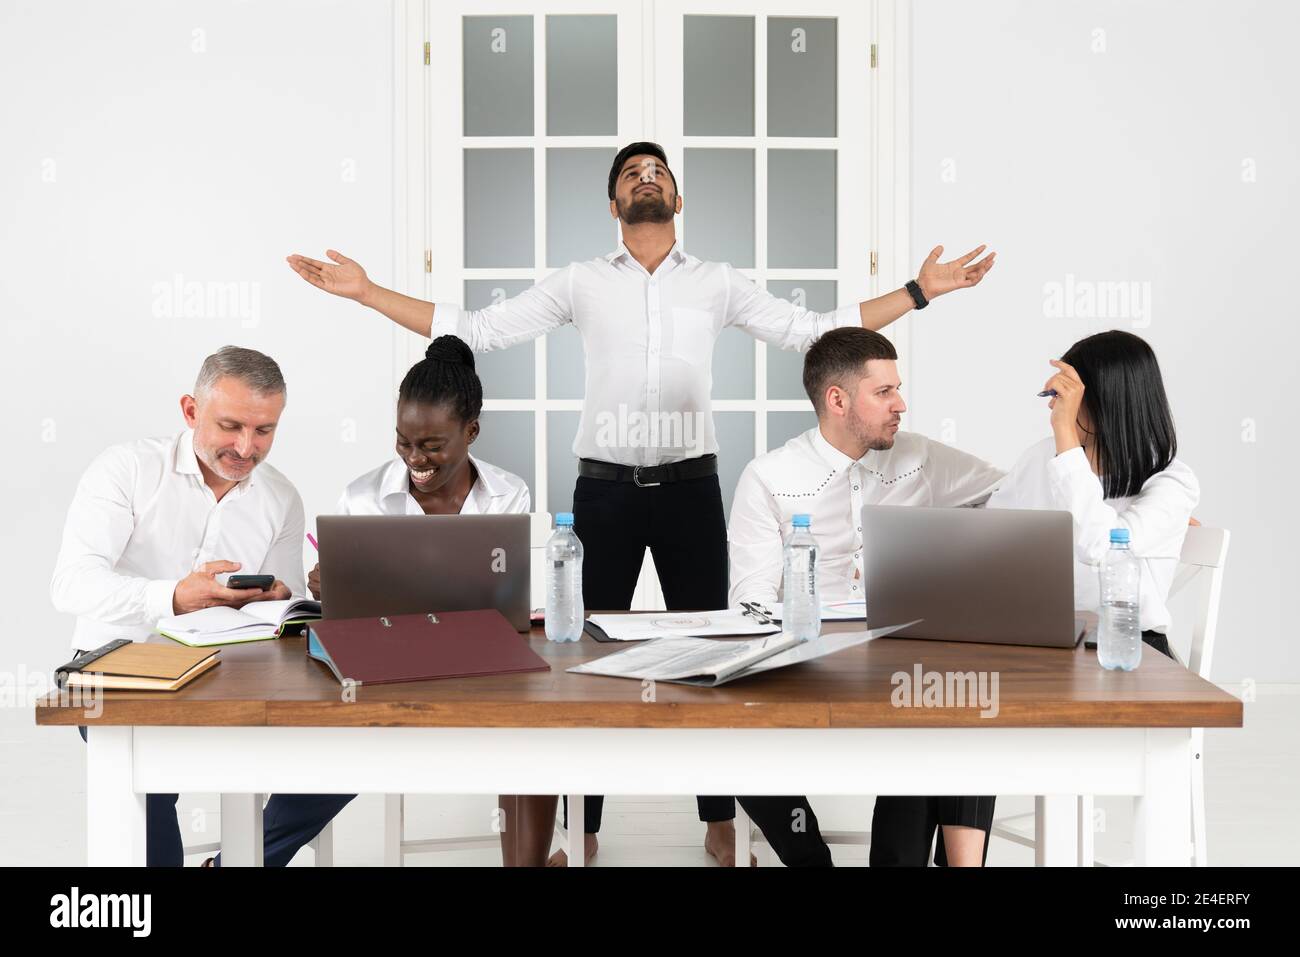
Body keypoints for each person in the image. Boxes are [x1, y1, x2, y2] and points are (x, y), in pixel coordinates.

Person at [287, 140, 996, 866]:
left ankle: (722, 823)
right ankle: (581, 831)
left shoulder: (717, 282)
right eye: (631, 173)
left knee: (726, 654)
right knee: (581, 657)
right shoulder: (581, 282)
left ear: (678, 200)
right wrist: (366, 291)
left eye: (658, 171)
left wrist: (919, 291)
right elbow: (474, 327)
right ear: (614, 205)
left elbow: (811, 329)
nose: (646, 178)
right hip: (605, 492)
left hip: (692, 488)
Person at [50, 346, 349, 866]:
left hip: (232, 674)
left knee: (353, 754)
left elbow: (285, 616)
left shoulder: (280, 496)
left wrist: (287, 600)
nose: (246, 447)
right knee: (149, 789)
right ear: (190, 411)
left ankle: (239, 863)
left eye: (264, 431)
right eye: (230, 425)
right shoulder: (126, 469)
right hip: (119, 670)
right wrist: (171, 596)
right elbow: (71, 584)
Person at [727, 327, 1005, 866]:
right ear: (837, 400)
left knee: (957, 701)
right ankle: (811, 861)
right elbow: (751, 601)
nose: (901, 404)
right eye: (884, 392)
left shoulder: (922, 458)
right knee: (727, 736)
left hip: (903, 657)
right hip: (811, 661)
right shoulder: (769, 477)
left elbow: (1018, 495)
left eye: (898, 389)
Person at [307, 336, 553, 865]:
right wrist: (328, 585)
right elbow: (347, 609)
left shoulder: (509, 493)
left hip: (485, 658)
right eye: (403, 442)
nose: (415, 459)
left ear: (471, 432)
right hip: (387, 661)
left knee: (533, 728)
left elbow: (516, 596)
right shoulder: (361, 496)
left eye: (432, 445)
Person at [988, 330, 1200, 656]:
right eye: (1054, 397)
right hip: (1048, 639)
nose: (1055, 409)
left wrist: (1064, 433)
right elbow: (991, 543)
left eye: (1066, 396)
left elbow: (1101, 547)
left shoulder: (1172, 483)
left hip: (1130, 649)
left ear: (1106, 399)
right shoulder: (1040, 458)